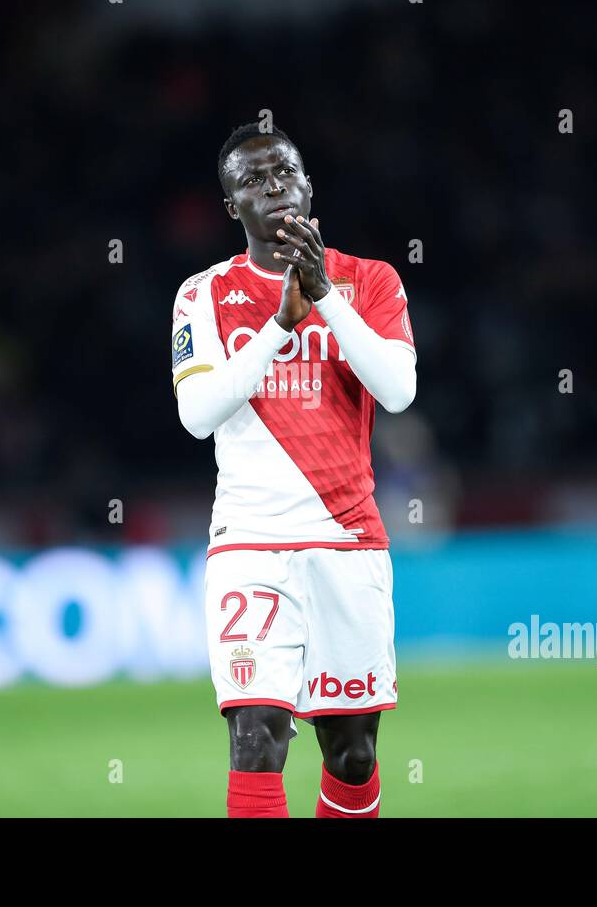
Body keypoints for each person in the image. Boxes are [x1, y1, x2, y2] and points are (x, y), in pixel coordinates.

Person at [170, 123, 417, 817]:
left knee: (354, 754)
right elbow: (198, 412)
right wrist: (281, 324)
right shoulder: (203, 294)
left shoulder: (370, 280)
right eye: (253, 179)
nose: (273, 186)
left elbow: (398, 391)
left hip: (348, 540)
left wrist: (326, 298)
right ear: (232, 207)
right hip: (251, 544)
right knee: (258, 738)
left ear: (308, 187)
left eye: (284, 172)